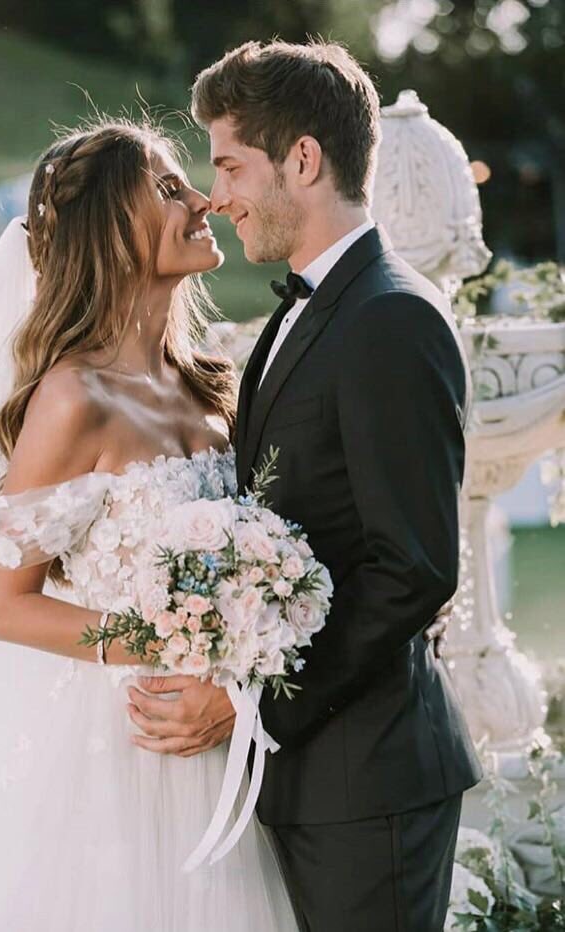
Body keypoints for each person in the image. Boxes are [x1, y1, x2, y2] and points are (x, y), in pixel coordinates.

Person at [0, 119, 299, 931]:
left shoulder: (208, 387)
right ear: (110, 228)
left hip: (223, 742)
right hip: (122, 756)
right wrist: (164, 641)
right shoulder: (75, 397)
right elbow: (3, 605)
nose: (203, 200)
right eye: (168, 188)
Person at [127, 40, 483, 932]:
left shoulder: (389, 317)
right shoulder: (314, 308)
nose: (217, 196)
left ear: (304, 159)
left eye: (231, 165)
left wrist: (248, 702)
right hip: (312, 781)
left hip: (370, 785)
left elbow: (413, 567)